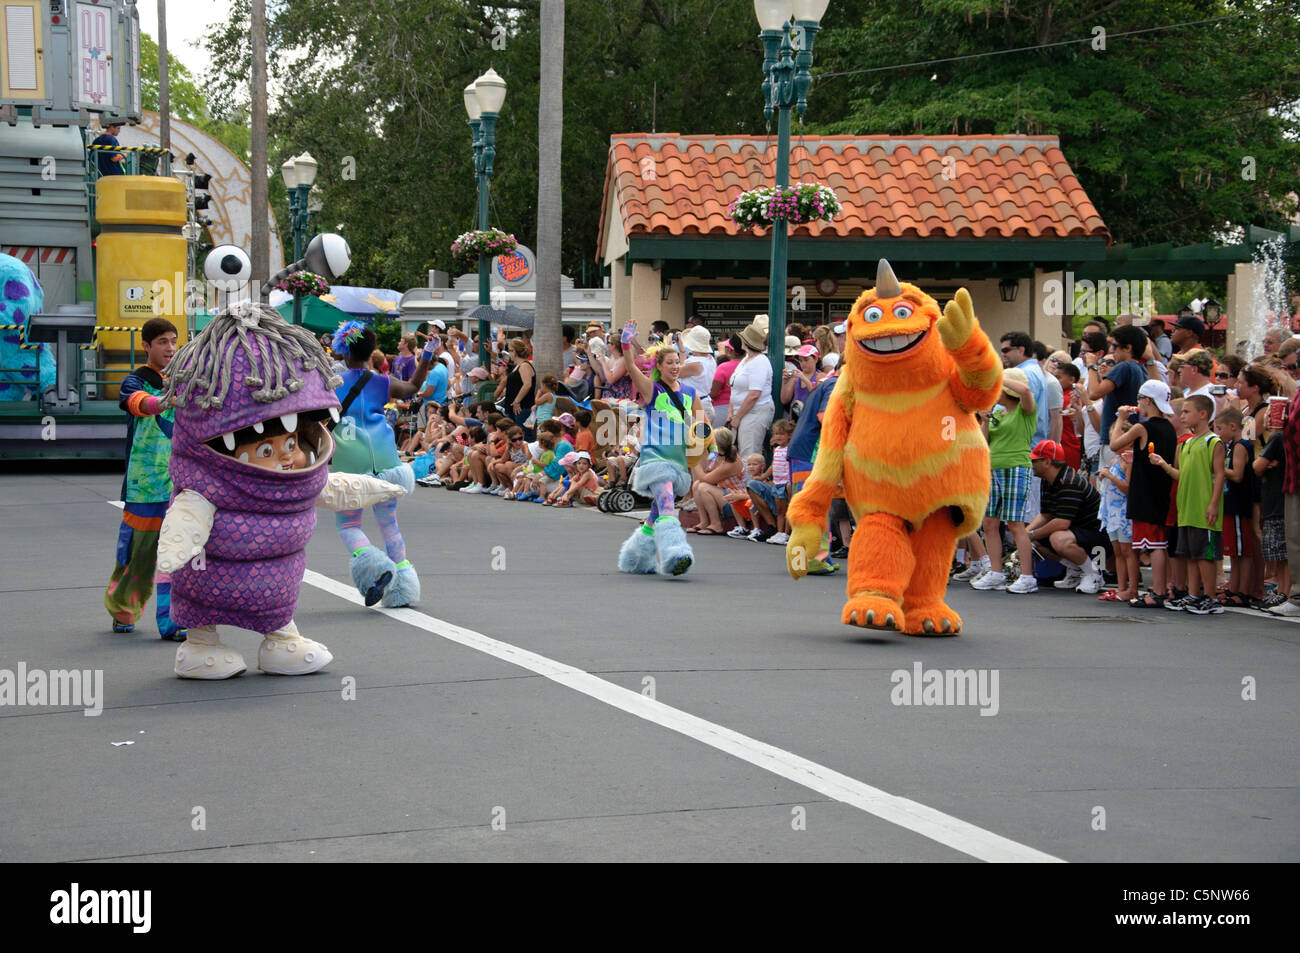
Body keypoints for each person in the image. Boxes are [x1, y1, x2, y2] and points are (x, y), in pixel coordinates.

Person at [330, 321, 436, 606]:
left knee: (349, 526)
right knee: (389, 524)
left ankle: (377, 568)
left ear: (342, 350)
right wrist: (426, 356)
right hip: (387, 458)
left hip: (350, 462)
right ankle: (403, 590)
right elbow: (414, 386)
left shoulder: (331, 384)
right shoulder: (382, 382)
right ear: (372, 350)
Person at [104, 317, 184, 639]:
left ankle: (172, 622)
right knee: (137, 553)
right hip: (144, 484)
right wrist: (161, 402)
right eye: (163, 342)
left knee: (176, 554)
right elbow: (134, 403)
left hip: (179, 484)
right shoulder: (135, 380)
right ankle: (123, 610)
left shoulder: (182, 380)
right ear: (146, 346)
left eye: (173, 341)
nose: (170, 348)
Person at [615, 320, 706, 576]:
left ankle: (634, 559)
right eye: (670, 362)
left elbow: (702, 427)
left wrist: (701, 450)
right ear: (659, 366)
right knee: (667, 506)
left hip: (678, 461)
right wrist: (626, 344)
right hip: (656, 459)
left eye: (678, 361)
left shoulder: (690, 393)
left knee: (657, 512)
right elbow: (631, 367)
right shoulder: (651, 389)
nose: (676, 366)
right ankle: (676, 553)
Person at [1147, 395, 1226, 614]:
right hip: (1187, 509)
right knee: (1190, 555)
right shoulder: (1186, 443)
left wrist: (1213, 504)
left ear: (1202, 414)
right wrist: (1162, 464)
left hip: (1203, 509)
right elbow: (1180, 475)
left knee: (1205, 556)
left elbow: (1219, 475)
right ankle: (1193, 595)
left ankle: (1210, 597)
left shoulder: (1213, 441)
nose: (1182, 416)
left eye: (1186, 412)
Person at [1109, 381, 1178, 607]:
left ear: (1148, 401)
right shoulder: (1169, 427)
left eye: (1140, 399)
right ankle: (1164, 587)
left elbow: (1114, 444)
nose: (1138, 403)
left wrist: (1120, 418)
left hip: (1145, 491)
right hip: (1162, 488)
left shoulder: (1142, 428)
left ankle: (1158, 591)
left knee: (1154, 544)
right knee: (1158, 542)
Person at [972, 367, 1037, 593]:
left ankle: (1028, 577)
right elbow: (983, 441)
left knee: (1015, 524)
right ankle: (996, 572)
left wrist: (998, 377)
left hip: (1016, 467)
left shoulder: (1025, 410)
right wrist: (984, 420)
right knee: (990, 522)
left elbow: (1026, 390)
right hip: (993, 468)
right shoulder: (997, 413)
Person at [1026, 439, 1109, 594]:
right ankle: (1076, 570)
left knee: (1058, 538)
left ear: (1047, 462)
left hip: (1098, 537)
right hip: (1078, 530)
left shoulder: (1070, 482)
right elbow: (1045, 515)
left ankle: (1094, 573)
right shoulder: (1047, 480)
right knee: (1037, 540)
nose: (1031, 463)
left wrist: (1030, 534)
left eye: (1034, 460)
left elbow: (1062, 523)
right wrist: (1024, 534)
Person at [1215, 408, 1260, 607]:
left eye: (1220, 428)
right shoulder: (1232, 445)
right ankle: (1234, 586)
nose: (1218, 432)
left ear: (1232, 426)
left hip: (1240, 503)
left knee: (1243, 551)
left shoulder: (1241, 445)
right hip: (1231, 503)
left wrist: (1218, 467)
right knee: (1234, 551)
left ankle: (1243, 591)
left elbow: (1237, 474)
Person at [727, 320, 775, 459]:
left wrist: (737, 417)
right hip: (741, 412)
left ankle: (750, 481)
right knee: (739, 452)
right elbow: (734, 387)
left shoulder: (760, 361)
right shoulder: (747, 358)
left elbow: (754, 394)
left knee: (749, 454)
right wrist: (731, 412)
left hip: (755, 412)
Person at [687, 427, 744, 536]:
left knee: (703, 487)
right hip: (725, 495)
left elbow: (704, 478)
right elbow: (706, 476)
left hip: (735, 502)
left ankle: (716, 524)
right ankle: (704, 522)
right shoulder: (718, 457)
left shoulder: (731, 462)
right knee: (696, 485)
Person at [678, 326, 717, 425]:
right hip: (702, 403)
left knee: (698, 439)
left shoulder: (696, 364)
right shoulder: (709, 359)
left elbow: (675, 372)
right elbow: (684, 367)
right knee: (699, 439)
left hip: (698, 406)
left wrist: (669, 345)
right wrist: (682, 350)